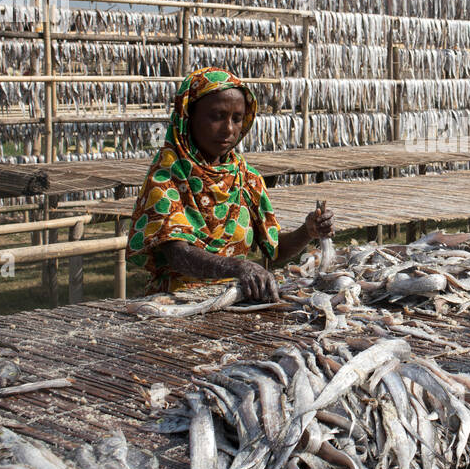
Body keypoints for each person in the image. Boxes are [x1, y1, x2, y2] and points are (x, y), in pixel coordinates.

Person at [126, 67, 334, 300]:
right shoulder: (167, 177)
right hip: (175, 305)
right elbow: (178, 253)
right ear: (188, 115)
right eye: (217, 116)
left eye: (237, 119)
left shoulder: (246, 179)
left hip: (234, 301)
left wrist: (307, 231)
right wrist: (238, 267)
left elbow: (275, 250)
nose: (229, 129)